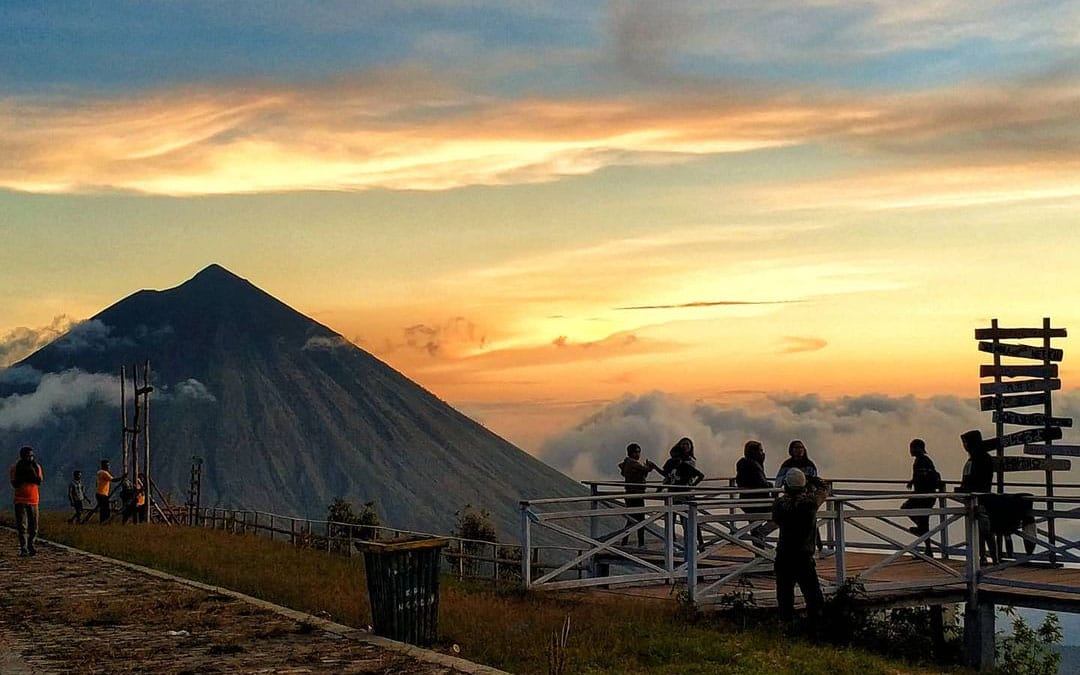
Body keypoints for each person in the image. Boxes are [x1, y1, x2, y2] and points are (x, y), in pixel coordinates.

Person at [771, 468, 827, 624]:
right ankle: (815, 627)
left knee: (784, 596)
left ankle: (786, 625)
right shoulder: (809, 503)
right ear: (804, 485)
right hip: (803, 556)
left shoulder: (780, 504)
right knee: (813, 596)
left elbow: (775, 519)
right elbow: (824, 489)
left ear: (786, 485)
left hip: (784, 554)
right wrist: (812, 479)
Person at [958, 430, 995, 562]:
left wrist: (967, 488)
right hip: (973, 497)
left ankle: (993, 558)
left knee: (985, 530)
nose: (965, 446)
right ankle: (983, 556)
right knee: (978, 531)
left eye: (966, 443)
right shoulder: (973, 459)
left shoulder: (982, 459)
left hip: (982, 498)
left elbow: (980, 479)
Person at [618, 444, 661, 546]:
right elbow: (645, 470)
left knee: (632, 519)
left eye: (638, 452)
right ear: (630, 453)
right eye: (635, 452)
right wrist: (650, 466)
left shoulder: (628, 463)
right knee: (639, 519)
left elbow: (641, 473)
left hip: (633, 493)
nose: (638, 454)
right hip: (634, 494)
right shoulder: (631, 462)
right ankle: (639, 543)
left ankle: (626, 541)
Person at [735, 440, 776, 543]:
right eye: (761, 450)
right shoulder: (754, 465)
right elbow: (762, 483)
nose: (763, 453)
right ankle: (761, 533)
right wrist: (770, 486)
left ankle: (758, 552)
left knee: (754, 524)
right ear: (755, 452)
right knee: (779, 515)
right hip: (759, 501)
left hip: (746, 501)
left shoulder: (742, 463)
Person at [901, 438, 941, 537]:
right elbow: (920, 475)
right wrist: (912, 481)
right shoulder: (920, 460)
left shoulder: (923, 460)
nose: (911, 450)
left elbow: (925, 475)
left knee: (907, 508)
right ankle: (927, 547)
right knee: (923, 521)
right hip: (923, 494)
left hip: (925, 495)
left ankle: (922, 529)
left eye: (913, 448)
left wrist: (916, 481)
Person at [10, 446, 44, 557]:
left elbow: (39, 480)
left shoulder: (36, 467)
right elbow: (14, 483)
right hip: (20, 500)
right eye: (29, 455)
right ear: (23, 456)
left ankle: (31, 543)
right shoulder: (15, 468)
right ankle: (24, 548)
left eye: (32, 456)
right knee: (22, 526)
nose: (31, 458)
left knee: (34, 527)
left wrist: (28, 476)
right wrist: (27, 477)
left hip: (33, 500)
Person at [95, 459, 124, 524]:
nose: (109, 467)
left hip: (99, 493)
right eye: (108, 465)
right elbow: (113, 480)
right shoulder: (105, 473)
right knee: (105, 510)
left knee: (103, 509)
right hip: (102, 494)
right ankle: (104, 522)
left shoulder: (99, 472)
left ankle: (103, 522)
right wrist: (122, 478)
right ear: (104, 466)